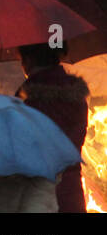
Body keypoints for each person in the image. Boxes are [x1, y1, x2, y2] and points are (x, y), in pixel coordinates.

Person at [16, 42, 89, 212]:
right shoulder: (77, 97)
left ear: (28, 60)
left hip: (39, 199)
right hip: (71, 194)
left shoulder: (29, 103)